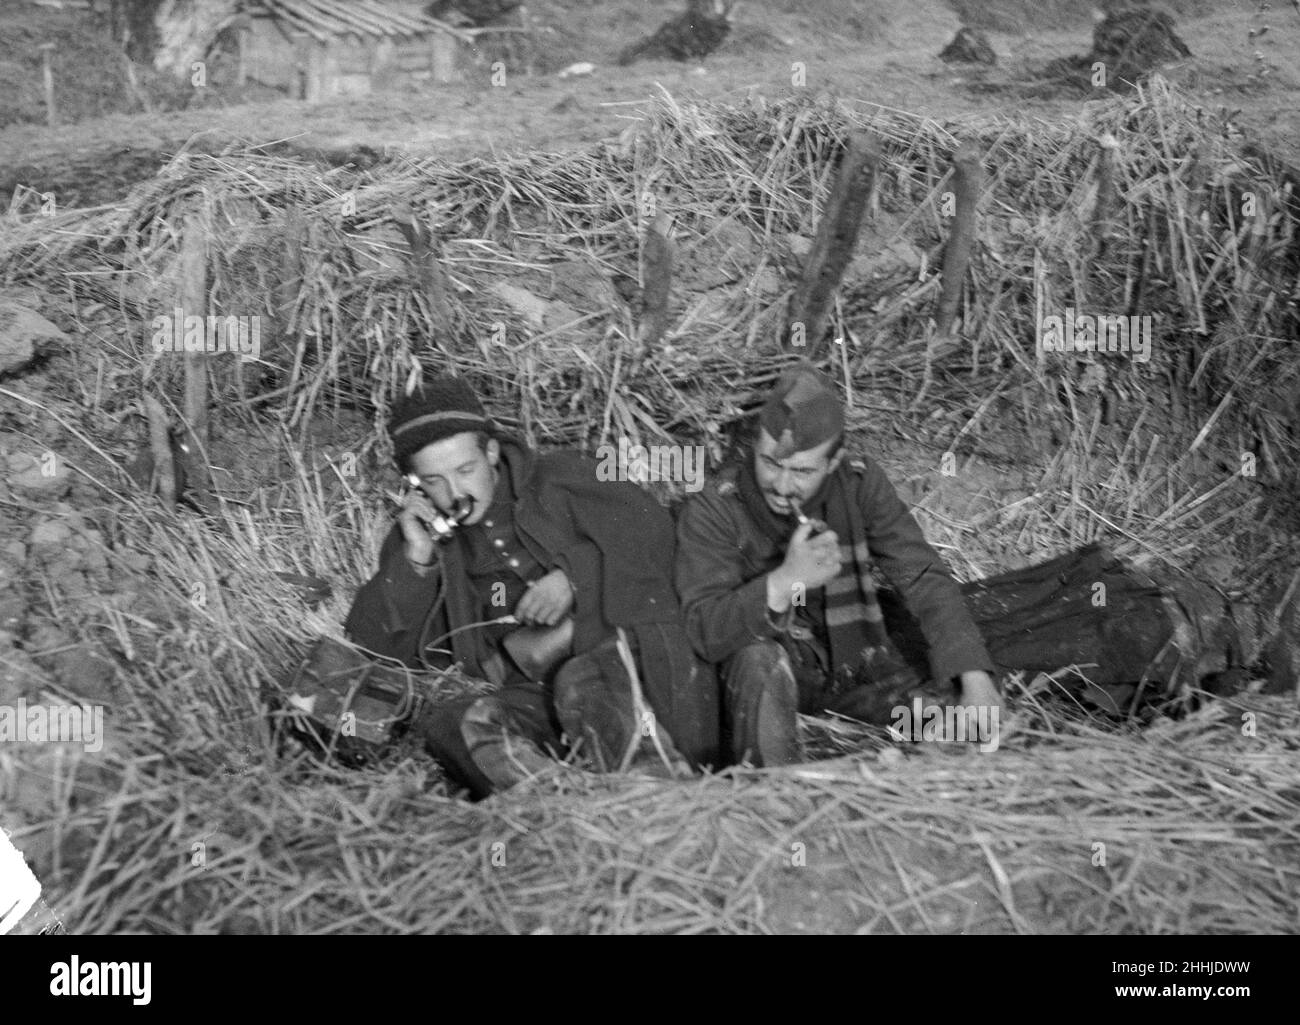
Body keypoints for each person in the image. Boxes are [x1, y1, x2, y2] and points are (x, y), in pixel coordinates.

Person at [344, 376, 717, 797]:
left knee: (585, 676)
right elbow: (373, 651)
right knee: (451, 723)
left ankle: (655, 797)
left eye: (466, 471)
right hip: (536, 699)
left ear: (490, 452)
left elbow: (657, 538)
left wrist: (575, 578)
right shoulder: (421, 541)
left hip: (623, 670)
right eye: (434, 481)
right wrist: (416, 560)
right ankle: (568, 807)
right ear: (415, 484)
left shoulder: (566, 476)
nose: (455, 494)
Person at [674, 361, 1003, 767]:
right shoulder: (716, 508)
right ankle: (770, 795)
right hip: (769, 677)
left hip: (853, 668)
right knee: (759, 661)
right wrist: (785, 581)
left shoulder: (859, 484)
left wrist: (974, 674)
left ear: (833, 463)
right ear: (754, 446)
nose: (781, 485)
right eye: (770, 463)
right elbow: (702, 629)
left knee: (953, 730)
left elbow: (920, 575)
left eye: (802, 471)